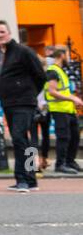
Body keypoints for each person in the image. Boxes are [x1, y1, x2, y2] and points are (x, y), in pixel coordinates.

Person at [0, 20, 46, 192]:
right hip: (8, 103)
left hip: (24, 102)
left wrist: (29, 93)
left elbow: (40, 75)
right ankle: (31, 179)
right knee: (25, 141)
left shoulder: (23, 51)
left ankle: (22, 179)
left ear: (9, 32)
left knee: (18, 137)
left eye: (2, 31)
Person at [44, 46, 82, 174]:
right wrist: (72, 99)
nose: (69, 58)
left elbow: (65, 91)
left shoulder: (60, 71)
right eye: (68, 55)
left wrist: (76, 99)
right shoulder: (52, 71)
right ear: (61, 55)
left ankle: (70, 161)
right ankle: (60, 164)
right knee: (63, 137)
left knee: (75, 137)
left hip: (68, 110)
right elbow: (52, 91)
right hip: (59, 109)